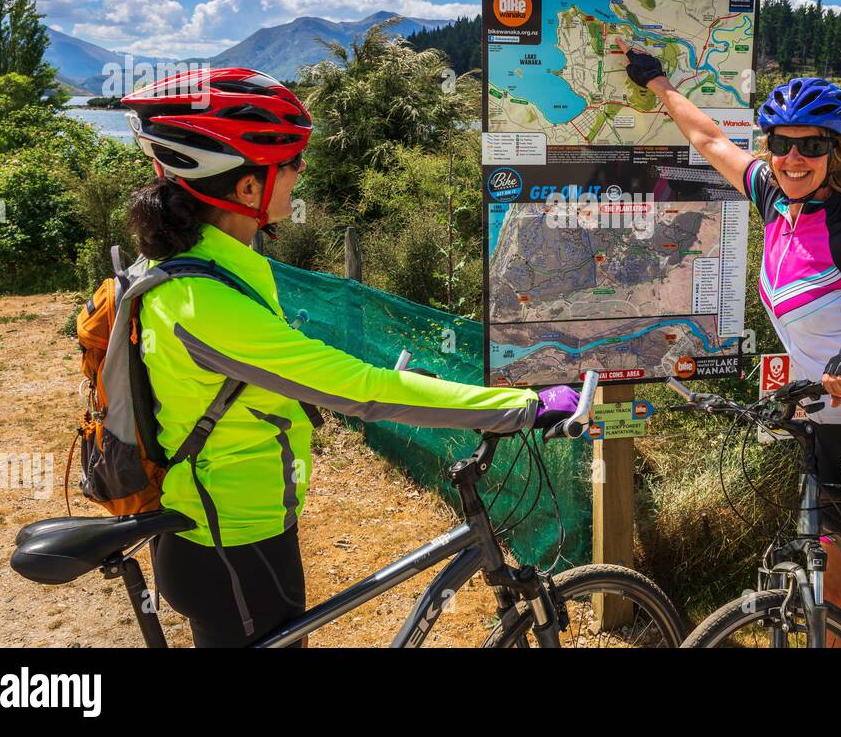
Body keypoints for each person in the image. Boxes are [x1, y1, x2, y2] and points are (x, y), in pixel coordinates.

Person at [121, 67, 579, 647]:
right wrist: (519, 406)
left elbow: (281, 367)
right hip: (234, 544)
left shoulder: (208, 270)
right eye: (288, 163)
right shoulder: (200, 299)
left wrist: (388, 380)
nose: (299, 173)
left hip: (232, 535)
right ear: (244, 189)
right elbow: (358, 391)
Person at [620, 44, 841, 648]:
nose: (793, 157)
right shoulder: (770, 197)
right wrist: (658, 83)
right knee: (835, 602)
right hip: (832, 435)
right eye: (782, 143)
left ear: (834, 154)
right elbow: (708, 140)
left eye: (812, 146)